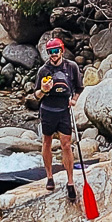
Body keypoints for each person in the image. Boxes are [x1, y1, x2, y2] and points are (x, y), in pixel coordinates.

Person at [34, 38, 83, 202]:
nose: (53, 55)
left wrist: (74, 100)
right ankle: (49, 176)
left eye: (56, 51)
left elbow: (79, 88)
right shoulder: (43, 70)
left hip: (64, 110)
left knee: (66, 144)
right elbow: (36, 96)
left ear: (62, 51)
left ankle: (70, 181)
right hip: (48, 110)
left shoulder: (72, 67)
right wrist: (43, 90)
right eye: (50, 52)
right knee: (47, 142)